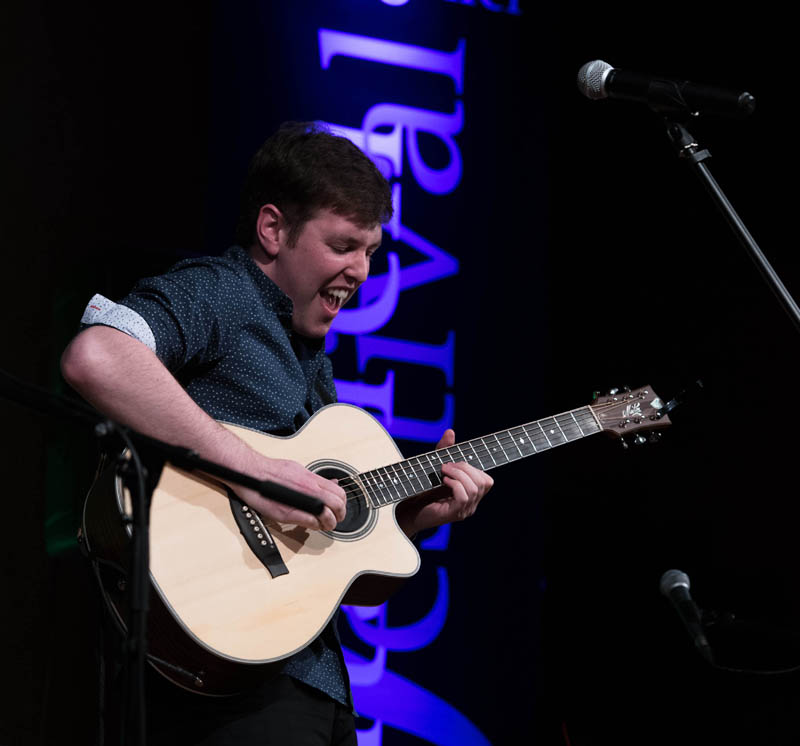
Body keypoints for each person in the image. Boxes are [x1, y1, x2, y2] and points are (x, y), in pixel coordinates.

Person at [61, 121, 494, 745]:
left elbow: (342, 577)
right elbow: (97, 357)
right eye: (344, 245)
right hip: (231, 694)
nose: (362, 271)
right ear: (273, 230)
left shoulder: (310, 361)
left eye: (371, 251)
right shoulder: (222, 292)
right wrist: (254, 472)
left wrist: (416, 517)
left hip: (305, 677)